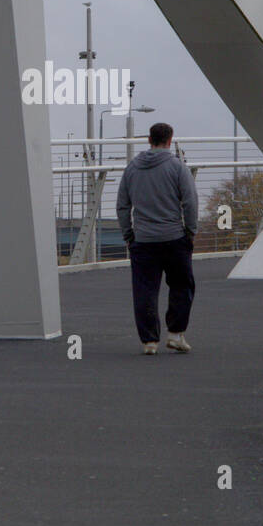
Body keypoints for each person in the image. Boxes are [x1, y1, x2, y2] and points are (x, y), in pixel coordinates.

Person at [116, 122, 198, 355]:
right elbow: (190, 202)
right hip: (174, 238)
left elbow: (122, 205)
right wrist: (190, 231)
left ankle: (149, 341)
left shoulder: (132, 168)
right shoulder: (177, 167)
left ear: (149, 140)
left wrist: (129, 235)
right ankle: (175, 334)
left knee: (145, 290)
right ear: (170, 140)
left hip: (143, 240)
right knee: (182, 285)